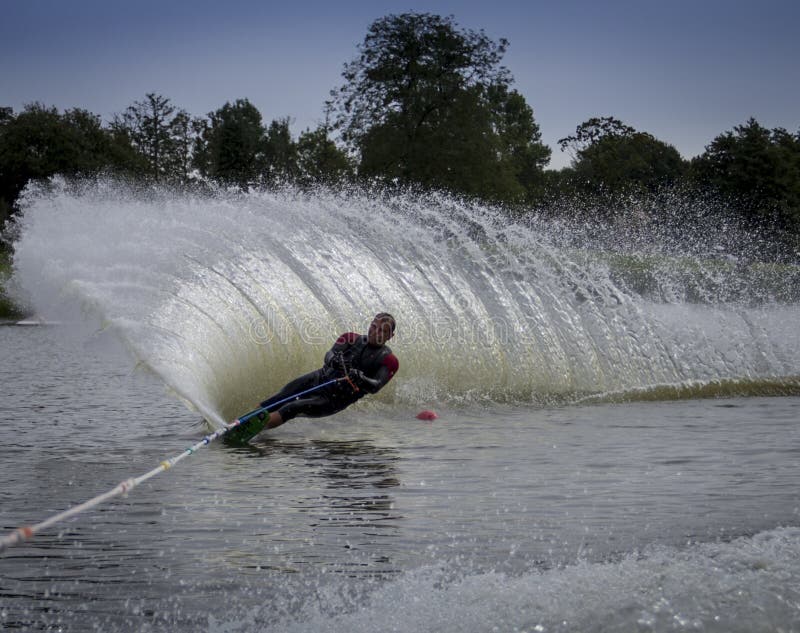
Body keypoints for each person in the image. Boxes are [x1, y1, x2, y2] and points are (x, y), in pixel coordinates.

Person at [257, 313, 399, 431]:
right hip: (318, 378)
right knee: (280, 397)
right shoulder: (350, 338)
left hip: (333, 400)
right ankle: (243, 421)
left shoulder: (389, 360)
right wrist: (333, 361)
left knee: (292, 407)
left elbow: (376, 385)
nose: (375, 332)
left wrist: (361, 378)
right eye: (373, 327)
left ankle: (253, 430)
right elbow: (329, 354)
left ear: (390, 336)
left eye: (382, 330)